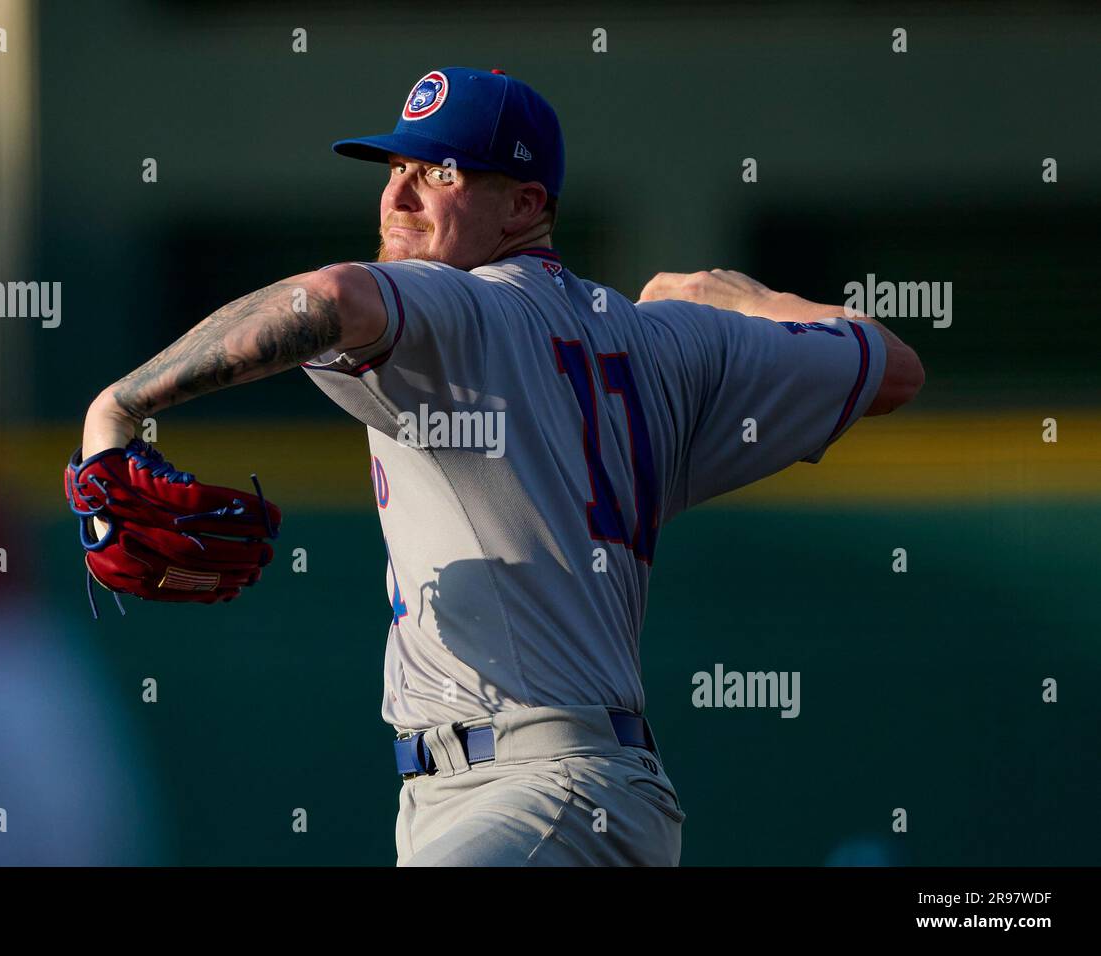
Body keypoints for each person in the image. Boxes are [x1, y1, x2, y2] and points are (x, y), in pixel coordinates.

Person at [79, 67, 924, 866]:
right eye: (395, 167)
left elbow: (331, 298)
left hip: (534, 788)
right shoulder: (675, 342)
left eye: (438, 173)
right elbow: (892, 365)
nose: (397, 197)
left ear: (525, 204)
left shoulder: (467, 307)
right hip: (563, 797)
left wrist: (114, 408)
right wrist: (751, 301)